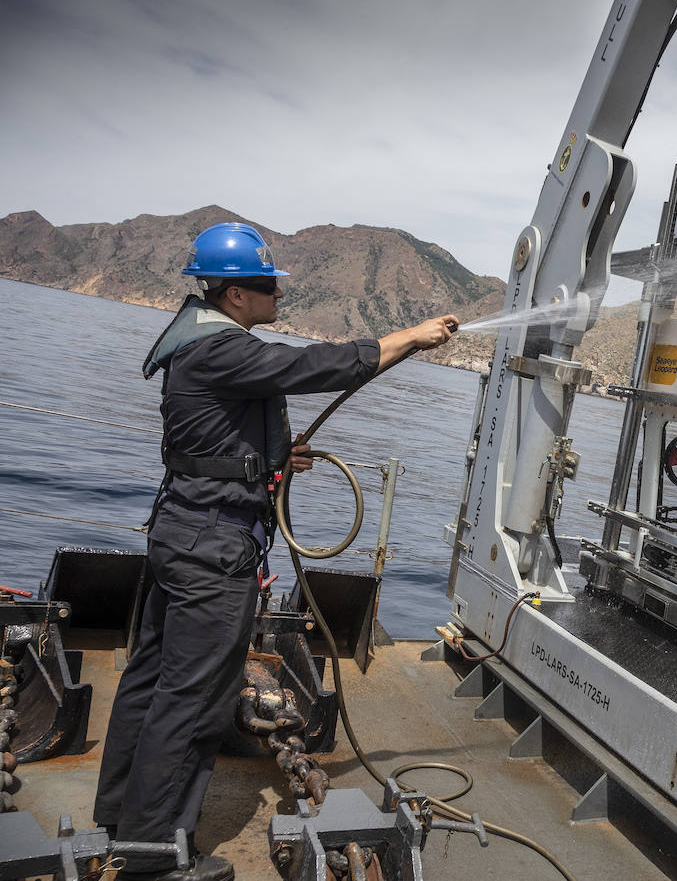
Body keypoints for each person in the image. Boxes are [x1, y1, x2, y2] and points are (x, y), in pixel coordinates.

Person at [92, 222, 459, 880]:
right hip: (213, 553)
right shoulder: (220, 350)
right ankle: (151, 857)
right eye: (267, 284)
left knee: (151, 681)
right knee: (196, 698)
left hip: (182, 534)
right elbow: (312, 366)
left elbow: (211, 436)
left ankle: (122, 818)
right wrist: (409, 337)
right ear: (235, 294)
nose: (277, 293)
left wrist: (270, 458)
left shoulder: (203, 346)